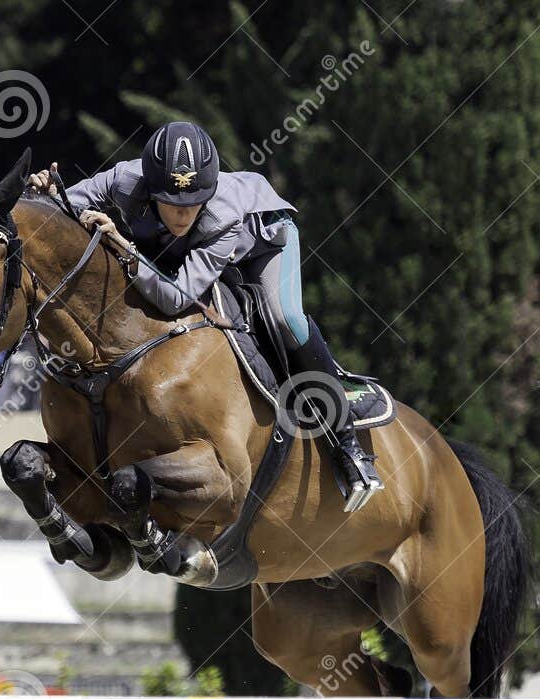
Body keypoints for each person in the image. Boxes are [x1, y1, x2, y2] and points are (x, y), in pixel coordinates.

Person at [29, 121, 383, 510]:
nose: (183, 215)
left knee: (285, 319)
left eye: (192, 203)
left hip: (263, 243)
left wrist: (126, 249)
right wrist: (44, 190)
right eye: (171, 202)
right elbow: (64, 209)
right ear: (150, 185)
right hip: (181, 255)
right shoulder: (125, 180)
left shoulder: (221, 214)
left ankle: (347, 444)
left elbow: (174, 296)